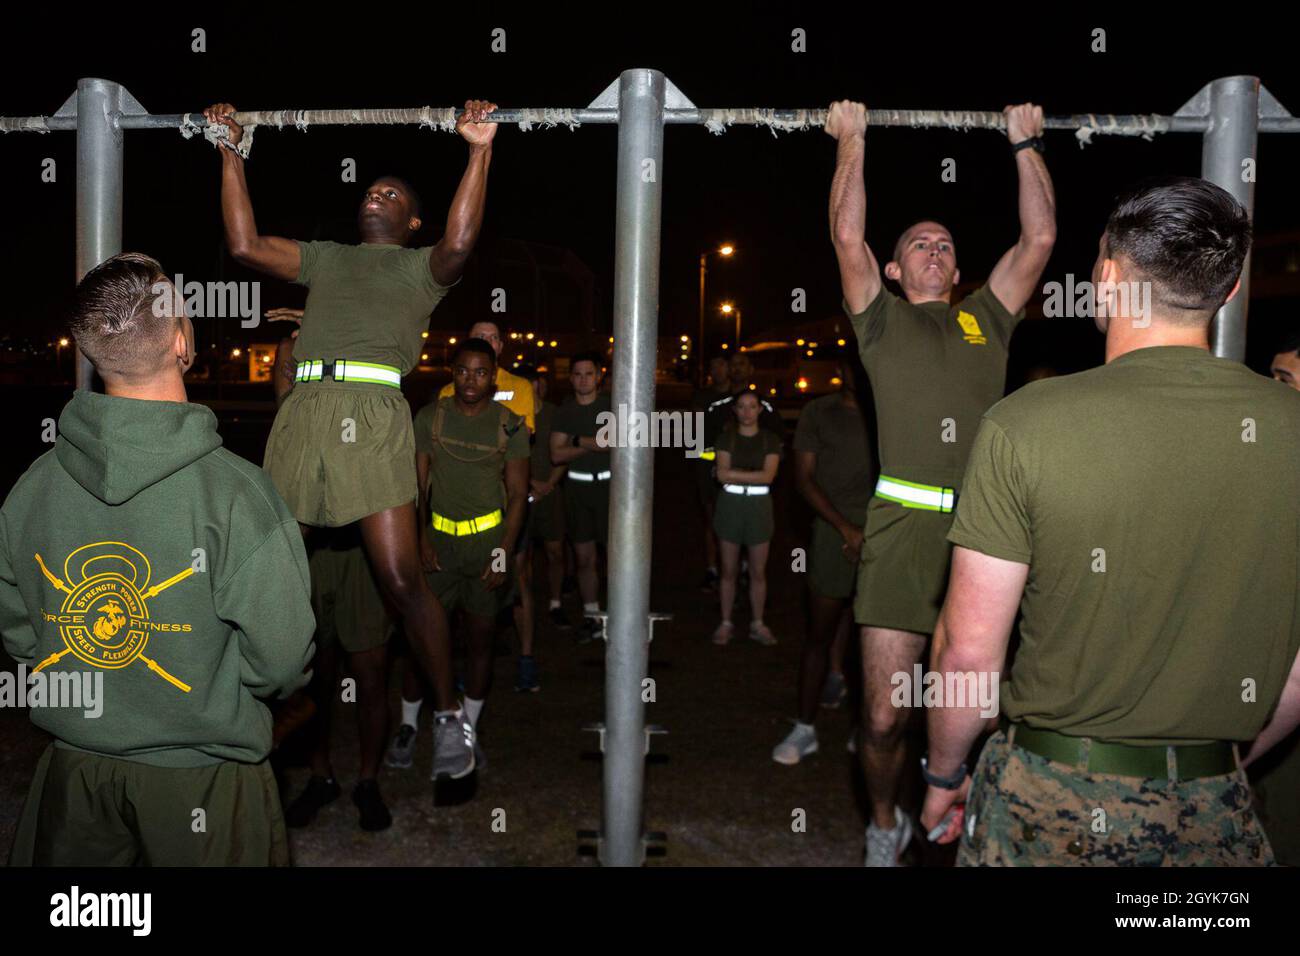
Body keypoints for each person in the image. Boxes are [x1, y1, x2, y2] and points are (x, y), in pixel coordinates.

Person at [920, 177, 1300, 865]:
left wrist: (945, 774)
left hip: (1049, 803)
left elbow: (968, 656)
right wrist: (1211, 765)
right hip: (1214, 812)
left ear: (1108, 276)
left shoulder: (1024, 424)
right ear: (1233, 286)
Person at [204, 98, 498, 780]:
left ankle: (450, 718)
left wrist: (479, 150)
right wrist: (231, 150)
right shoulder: (326, 259)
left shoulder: (420, 267)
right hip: (305, 412)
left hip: (373, 415)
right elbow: (246, 245)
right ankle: (236, 698)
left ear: (410, 220)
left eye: (391, 194)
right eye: (370, 189)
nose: (375, 196)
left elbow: (460, 243)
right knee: (262, 566)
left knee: (399, 578)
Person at [2, 253, 315, 865]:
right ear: (179, 340)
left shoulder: (30, 488)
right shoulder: (238, 494)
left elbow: (19, 629)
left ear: (93, 353)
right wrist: (210, 695)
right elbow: (281, 661)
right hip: (206, 780)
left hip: (76, 777)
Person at [827, 99, 1056, 865]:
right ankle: (884, 820)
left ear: (958, 271)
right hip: (898, 527)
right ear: (895, 269)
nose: (933, 249)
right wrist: (851, 141)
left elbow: (1041, 237)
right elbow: (846, 236)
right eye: (918, 243)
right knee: (886, 717)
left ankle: (958, 808)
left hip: (982, 535)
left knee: (966, 710)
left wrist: (1024, 142)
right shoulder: (881, 319)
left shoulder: (985, 319)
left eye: (945, 245)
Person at [268, 325, 395, 831]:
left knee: (371, 675)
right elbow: (285, 390)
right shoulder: (295, 403)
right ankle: (320, 776)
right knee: (314, 677)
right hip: (312, 551)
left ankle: (368, 779)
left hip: (364, 551)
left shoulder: (367, 382)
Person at [393, 339, 529, 773]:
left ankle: (466, 729)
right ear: (452, 372)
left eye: (481, 372)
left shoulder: (510, 426)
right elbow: (416, 487)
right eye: (464, 371)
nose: (471, 380)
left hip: (486, 548)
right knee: (423, 642)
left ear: (494, 375)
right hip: (438, 546)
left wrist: (503, 554)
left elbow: (517, 496)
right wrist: (421, 538)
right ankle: (409, 726)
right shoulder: (430, 418)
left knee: (480, 641)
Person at [773, 361, 875, 764]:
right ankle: (804, 727)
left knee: (875, 643)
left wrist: (874, 530)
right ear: (841, 369)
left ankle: (866, 727)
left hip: (882, 535)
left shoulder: (885, 410)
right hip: (832, 534)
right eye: (853, 361)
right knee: (820, 633)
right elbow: (803, 479)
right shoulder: (819, 412)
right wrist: (844, 528)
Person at [550, 352, 613, 644]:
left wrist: (574, 440)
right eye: (577, 374)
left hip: (610, 491)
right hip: (577, 491)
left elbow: (616, 442)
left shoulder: (612, 405)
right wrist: (589, 442)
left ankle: (620, 615)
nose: (583, 379)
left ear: (599, 376)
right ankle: (592, 616)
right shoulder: (565, 411)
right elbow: (556, 453)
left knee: (616, 558)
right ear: (570, 378)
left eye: (589, 373)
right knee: (584, 559)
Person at [711, 390, 783, 646]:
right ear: (734, 410)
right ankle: (726, 621)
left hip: (759, 508)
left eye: (752, 406)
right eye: (741, 407)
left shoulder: (770, 440)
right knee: (728, 570)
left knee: (758, 571)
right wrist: (751, 474)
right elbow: (721, 475)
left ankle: (758, 622)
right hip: (730, 506)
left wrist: (735, 473)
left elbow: (768, 477)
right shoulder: (725, 438)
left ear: (760, 410)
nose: (747, 412)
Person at [516, 366, 568, 689]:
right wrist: (528, 483)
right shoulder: (510, 414)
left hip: (549, 492)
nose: (536, 389)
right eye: (530, 384)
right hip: (520, 493)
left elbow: (562, 454)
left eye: (540, 384)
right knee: (521, 561)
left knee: (554, 549)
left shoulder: (554, 414)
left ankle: (556, 601)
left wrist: (548, 484)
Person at [692, 355, 734, 592]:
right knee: (711, 518)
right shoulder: (702, 396)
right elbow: (695, 436)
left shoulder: (741, 396)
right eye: (713, 365)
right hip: (707, 466)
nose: (717, 369)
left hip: (737, 469)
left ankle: (739, 570)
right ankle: (712, 570)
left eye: (721, 364)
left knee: (734, 519)